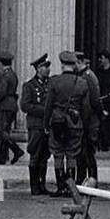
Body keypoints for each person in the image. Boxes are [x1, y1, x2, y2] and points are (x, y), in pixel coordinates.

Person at [42, 51, 90, 197]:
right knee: (72, 155)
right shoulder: (82, 83)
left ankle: (60, 186)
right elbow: (86, 108)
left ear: (62, 65)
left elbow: (48, 105)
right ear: (74, 65)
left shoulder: (54, 81)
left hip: (57, 122)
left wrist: (46, 124)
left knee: (57, 155)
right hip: (75, 123)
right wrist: (84, 125)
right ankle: (70, 187)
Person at [20, 54, 53, 194]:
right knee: (35, 154)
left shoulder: (50, 84)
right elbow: (25, 105)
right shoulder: (30, 86)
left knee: (45, 155)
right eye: (45, 67)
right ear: (38, 69)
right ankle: (34, 186)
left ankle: (42, 184)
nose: (48, 70)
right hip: (36, 125)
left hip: (47, 126)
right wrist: (44, 110)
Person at [73, 50, 104, 184]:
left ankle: (92, 180)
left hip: (89, 121)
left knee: (88, 153)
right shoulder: (80, 75)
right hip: (82, 121)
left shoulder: (89, 76)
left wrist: (100, 114)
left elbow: (95, 100)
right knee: (81, 153)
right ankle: (81, 180)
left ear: (79, 62)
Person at [0, 52, 21, 164]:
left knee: (1, 131)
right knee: (5, 131)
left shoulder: (5, 76)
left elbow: (1, 92)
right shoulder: (13, 74)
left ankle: (16, 150)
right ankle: (1, 157)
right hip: (11, 104)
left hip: (4, 105)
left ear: (1, 63)